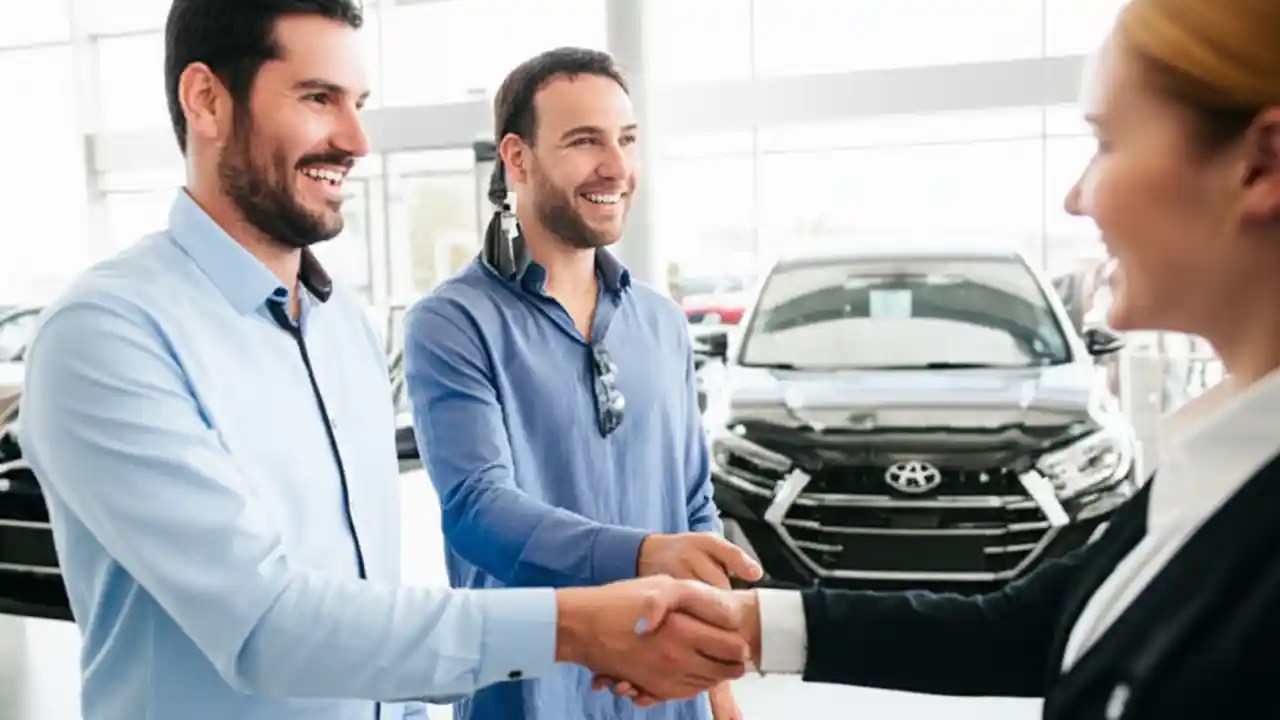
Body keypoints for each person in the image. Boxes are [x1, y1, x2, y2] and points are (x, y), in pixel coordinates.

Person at [18, 4, 749, 719]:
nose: (358, 140)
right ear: (207, 101)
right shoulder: (107, 334)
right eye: (317, 99)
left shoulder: (346, 328)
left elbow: (371, 594)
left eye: (358, 102)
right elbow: (267, 625)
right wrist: (582, 625)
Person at [602, 0, 1280, 717]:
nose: (1077, 197)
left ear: (1261, 166)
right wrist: (750, 623)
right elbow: (1047, 625)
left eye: (1108, 143)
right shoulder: (1216, 461)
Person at [402, 48, 761, 720]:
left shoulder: (661, 321)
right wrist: (647, 555)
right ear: (517, 159)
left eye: (626, 139)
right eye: (584, 141)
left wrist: (717, 688)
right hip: (530, 699)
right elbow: (479, 511)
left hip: (667, 700)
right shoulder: (451, 323)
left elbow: (692, 507)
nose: (616, 167)